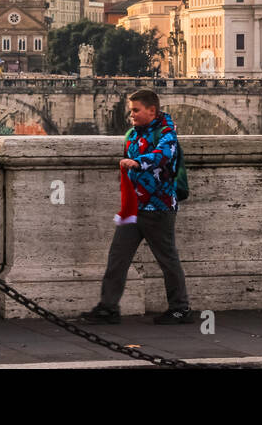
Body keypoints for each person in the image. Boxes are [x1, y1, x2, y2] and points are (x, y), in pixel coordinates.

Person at [78, 89, 196, 326]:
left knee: (167, 259)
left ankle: (180, 308)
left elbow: (163, 156)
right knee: (117, 257)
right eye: (130, 110)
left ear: (152, 111)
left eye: (136, 110)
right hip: (133, 208)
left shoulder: (166, 134)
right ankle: (108, 308)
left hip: (159, 208)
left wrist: (139, 162)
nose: (131, 115)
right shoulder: (131, 134)